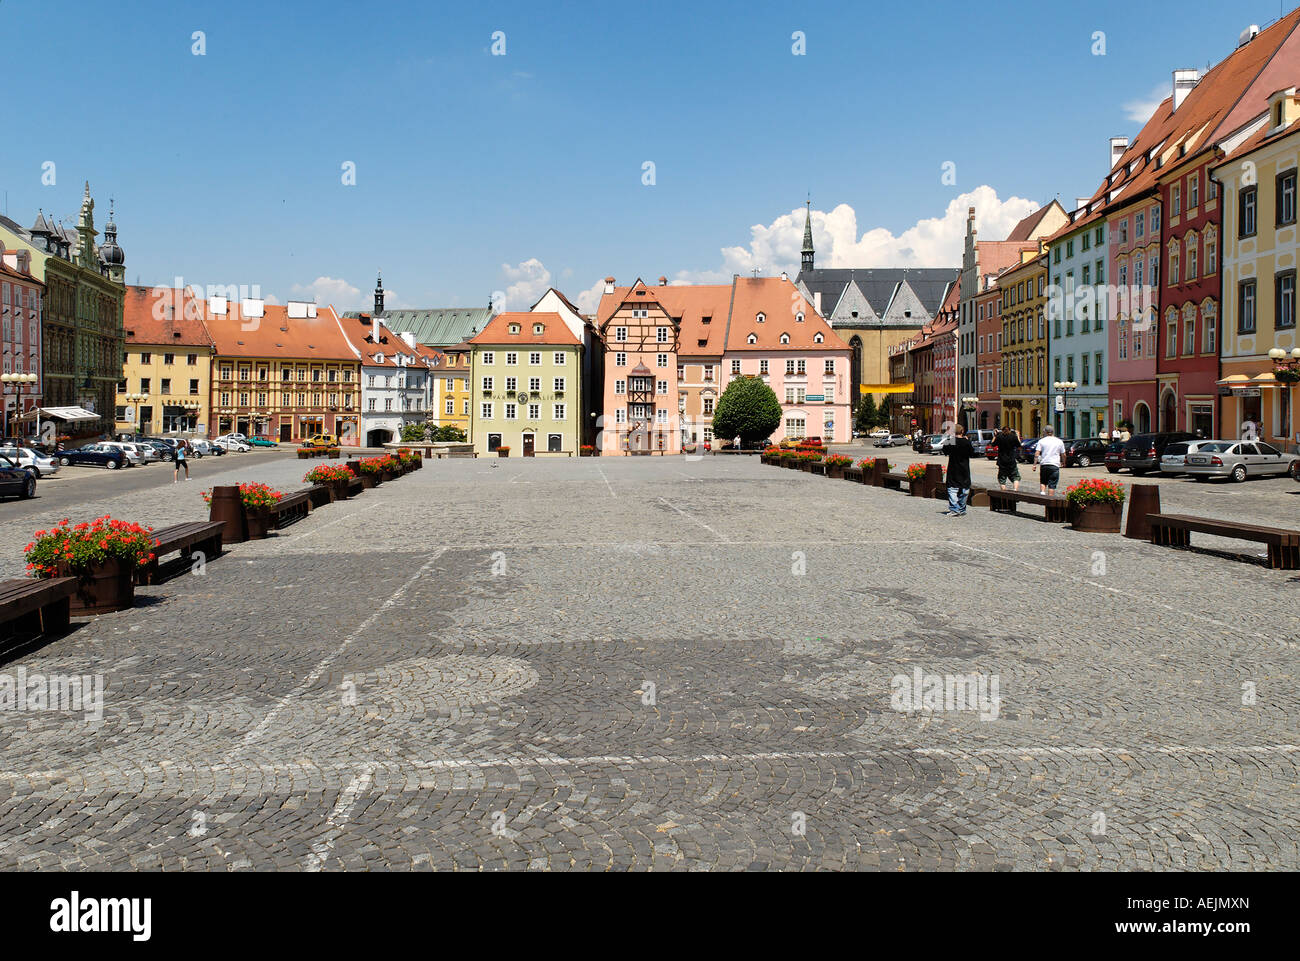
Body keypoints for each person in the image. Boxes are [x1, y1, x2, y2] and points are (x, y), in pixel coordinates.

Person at [941, 423, 975, 517]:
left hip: (953, 468)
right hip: (964, 468)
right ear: (962, 431)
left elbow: (945, 451)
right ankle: (961, 508)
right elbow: (972, 453)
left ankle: (954, 509)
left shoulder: (950, 441)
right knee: (964, 489)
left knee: (952, 489)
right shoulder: (966, 442)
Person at [1034, 425, 1066, 495]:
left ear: (1045, 432)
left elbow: (1037, 453)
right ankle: (1050, 498)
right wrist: (1064, 462)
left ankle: (1042, 493)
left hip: (1044, 464)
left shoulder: (1041, 441)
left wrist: (1034, 465)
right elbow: (1063, 454)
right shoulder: (1059, 441)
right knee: (1052, 484)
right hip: (1054, 465)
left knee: (1043, 481)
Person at [994, 425, 1022, 491]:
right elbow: (1019, 446)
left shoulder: (999, 437)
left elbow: (992, 444)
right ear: (1009, 430)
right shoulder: (1013, 437)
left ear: (1002, 430)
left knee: (1002, 479)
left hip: (1002, 461)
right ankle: (1015, 490)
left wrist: (995, 436)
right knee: (1016, 477)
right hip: (1011, 461)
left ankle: (1004, 492)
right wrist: (1018, 436)